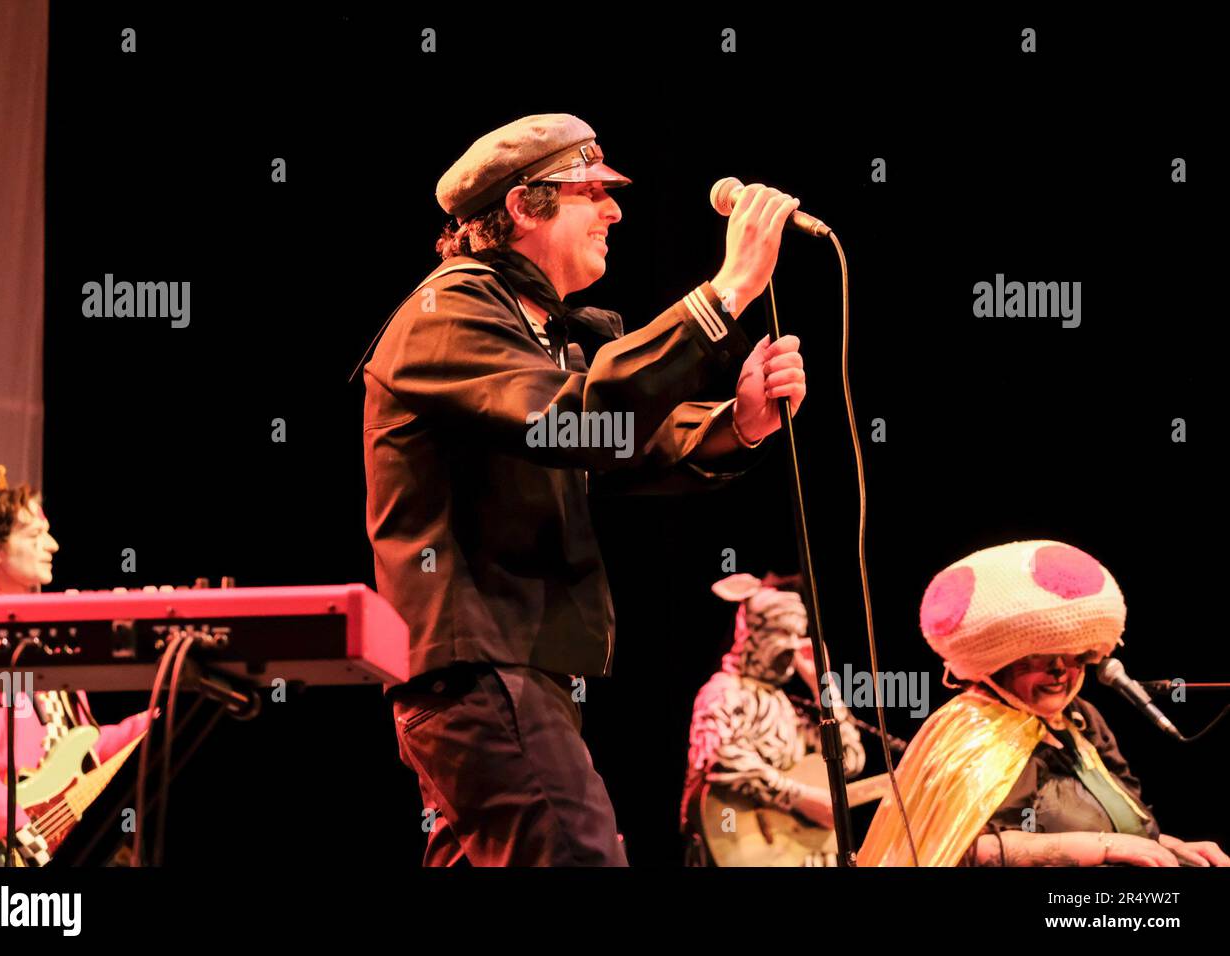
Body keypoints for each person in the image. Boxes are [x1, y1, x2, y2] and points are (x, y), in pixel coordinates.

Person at [363, 113, 810, 865]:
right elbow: (578, 417)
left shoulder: (531, 329)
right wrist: (726, 292)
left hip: (510, 672)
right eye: (591, 192)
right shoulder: (446, 319)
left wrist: (741, 423)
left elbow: (609, 445)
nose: (615, 211)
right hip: (482, 669)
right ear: (522, 206)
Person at [857, 539, 1230, 867]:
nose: (1059, 672)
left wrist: (1172, 849)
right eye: (1039, 659)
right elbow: (959, 849)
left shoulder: (1081, 718)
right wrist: (1102, 847)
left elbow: (1127, 820)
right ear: (999, 666)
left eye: (1073, 657)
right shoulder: (971, 732)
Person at [0, 465, 151, 866]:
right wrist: (13, 825)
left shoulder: (48, 642)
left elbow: (83, 749)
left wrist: (157, 718)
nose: (52, 545)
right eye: (34, 535)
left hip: (63, 843)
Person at [681, 572, 865, 865]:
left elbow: (850, 760)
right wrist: (801, 799)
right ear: (753, 630)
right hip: (739, 850)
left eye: (797, 633)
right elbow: (722, 757)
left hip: (795, 853)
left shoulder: (784, 704)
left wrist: (825, 686)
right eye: (781, 632)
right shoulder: (723, 691)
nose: (792, 645)